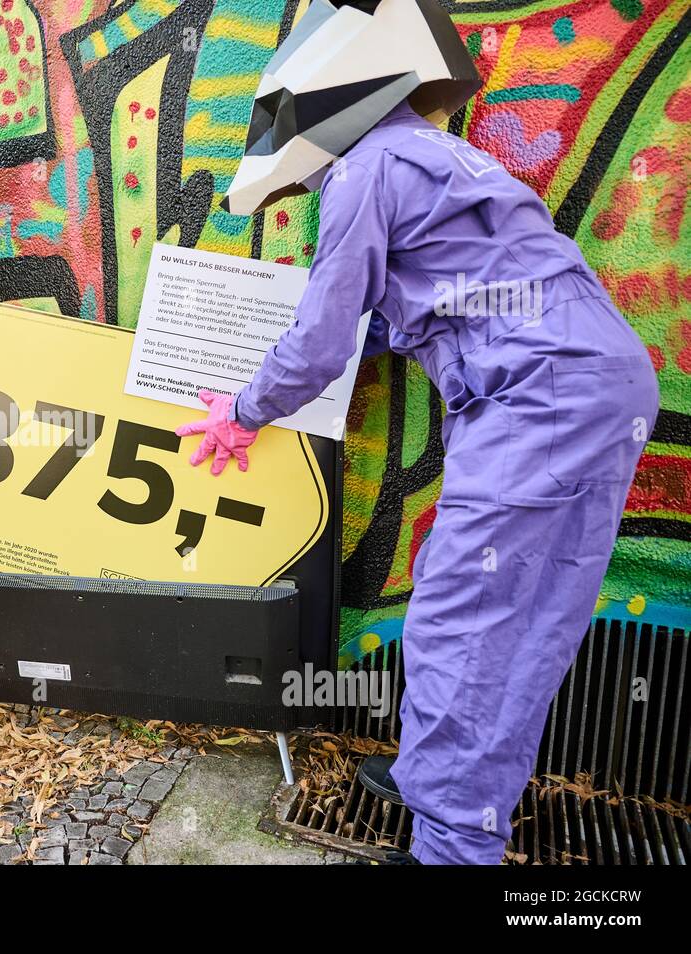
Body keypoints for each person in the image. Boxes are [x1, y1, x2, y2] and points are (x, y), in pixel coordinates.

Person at [176, 0, 659, 863]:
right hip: (595, 383)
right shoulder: (439, 152)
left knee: (465, 623)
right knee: (516, 612)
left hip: (536, 395)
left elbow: (324, 338)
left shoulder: (365, 167)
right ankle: (446, 780)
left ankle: (452, 843)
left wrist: (240, 412)